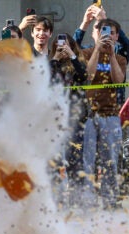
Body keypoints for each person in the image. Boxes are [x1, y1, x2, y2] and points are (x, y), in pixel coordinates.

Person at [80, 18, 127, 209]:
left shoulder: (121, 58)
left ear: (116, 36)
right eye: (104, 31)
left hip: (111, 114)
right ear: (96, 33)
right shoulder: (87, 53)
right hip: (89, 114)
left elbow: (119, 80)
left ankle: (109, 199)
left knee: (111, 161)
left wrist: (112, 55)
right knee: (88, 160)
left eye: (112, 32)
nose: (108, 35)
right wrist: (99, 50)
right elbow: (88, 76)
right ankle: (88, 199)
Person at [49, 33, 88, 206]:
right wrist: (56, 58)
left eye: (66, 44)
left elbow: (83, 75)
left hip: (74, 119)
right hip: (54, 120)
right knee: (55, 160)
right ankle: (56, 199)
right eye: (59, 44)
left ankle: (76, 198)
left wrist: (72, 55)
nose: (62, 47)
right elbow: (46, 80)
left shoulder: (77, 63)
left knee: (75, 159)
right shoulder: (52, 64)